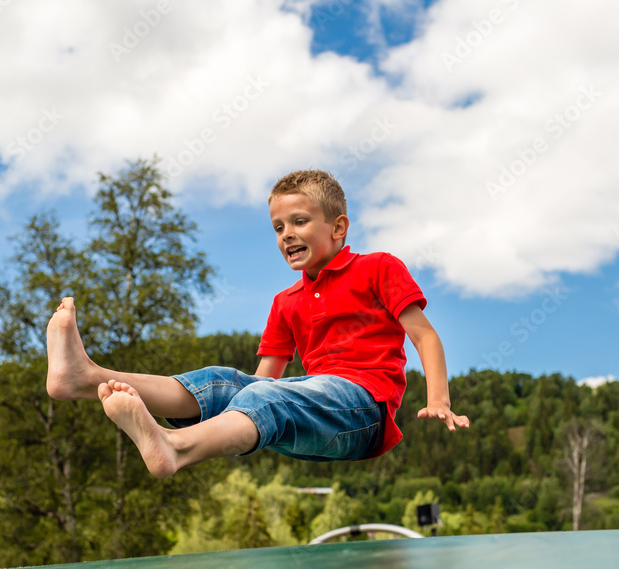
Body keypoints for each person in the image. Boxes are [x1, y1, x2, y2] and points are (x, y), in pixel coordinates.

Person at [45, 169, 468, 478]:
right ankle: (86, 378)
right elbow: (259, 382)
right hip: (310, 409)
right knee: (221, 382)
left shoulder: (378, 268)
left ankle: (175, 446)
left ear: (338, 227)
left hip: (362, 413)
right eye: (278, 227)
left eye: (299, 222)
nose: (287, 234)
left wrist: (439, 399)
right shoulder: (285, 302)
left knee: (270, 396)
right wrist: (230, 410)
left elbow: (424, 336)